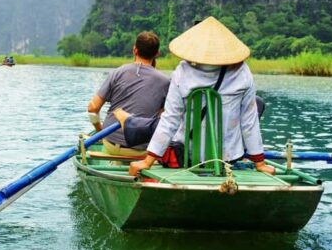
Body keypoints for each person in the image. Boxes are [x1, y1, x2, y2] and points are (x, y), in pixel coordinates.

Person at [128, 17, 275, 176]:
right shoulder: (242, 72)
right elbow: (249, 120)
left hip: (187, 156)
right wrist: (259, 163)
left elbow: (170, 119)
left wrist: (147, 161)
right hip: (228, 158)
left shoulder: (182, 72)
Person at [87, 31, 170, 156]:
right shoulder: (166, 81)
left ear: (134, 50)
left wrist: (100, 131)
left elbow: (93, 108)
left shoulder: (118, 72)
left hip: (111, 143)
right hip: (143, 149)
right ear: (157, 53)